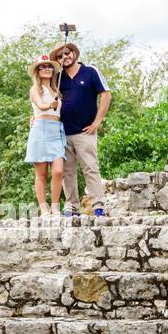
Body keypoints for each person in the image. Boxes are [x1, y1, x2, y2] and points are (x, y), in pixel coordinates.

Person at [48, 41, 111, 217]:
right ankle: (72, 207)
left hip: (85, 132)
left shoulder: (90, 71)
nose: (64, 57)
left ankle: (98, 205)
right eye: (60, 56)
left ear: (73, 53)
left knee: (90, 168)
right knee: (67, 171)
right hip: (63, 132)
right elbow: (48, 101)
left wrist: (97, 122)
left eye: (67, 53)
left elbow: (106, 94)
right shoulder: (58, 78)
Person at [24, 55, 66, 217]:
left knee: (58, 171)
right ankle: (43, 208)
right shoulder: (35, 89)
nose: (47, 69)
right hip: (40, 130)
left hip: (55, 131)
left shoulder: (56, 90)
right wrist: (50, 105)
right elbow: (41, 106)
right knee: (41, 174)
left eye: (49, 66)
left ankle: (55, 206)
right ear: (37, 71)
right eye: (43, 67)